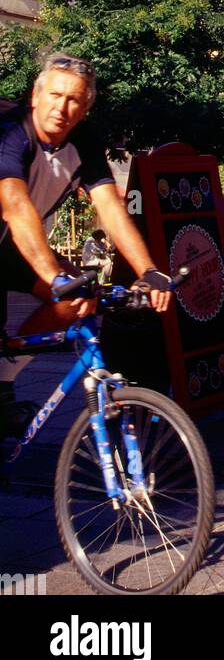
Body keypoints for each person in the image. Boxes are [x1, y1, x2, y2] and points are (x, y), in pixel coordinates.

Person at [0, 52, 173, 437]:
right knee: (64, 287)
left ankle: (3, 381)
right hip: (16, 233)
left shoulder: (84, 143)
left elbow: (110, 208)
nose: (61, 108)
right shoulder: (11, 133)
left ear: (85, 108)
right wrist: (53, 275)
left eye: (73, 99)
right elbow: (15, 206)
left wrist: (149, 270)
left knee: (79, 298)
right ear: (35, 96)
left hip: (13, 248)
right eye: (54, 95)